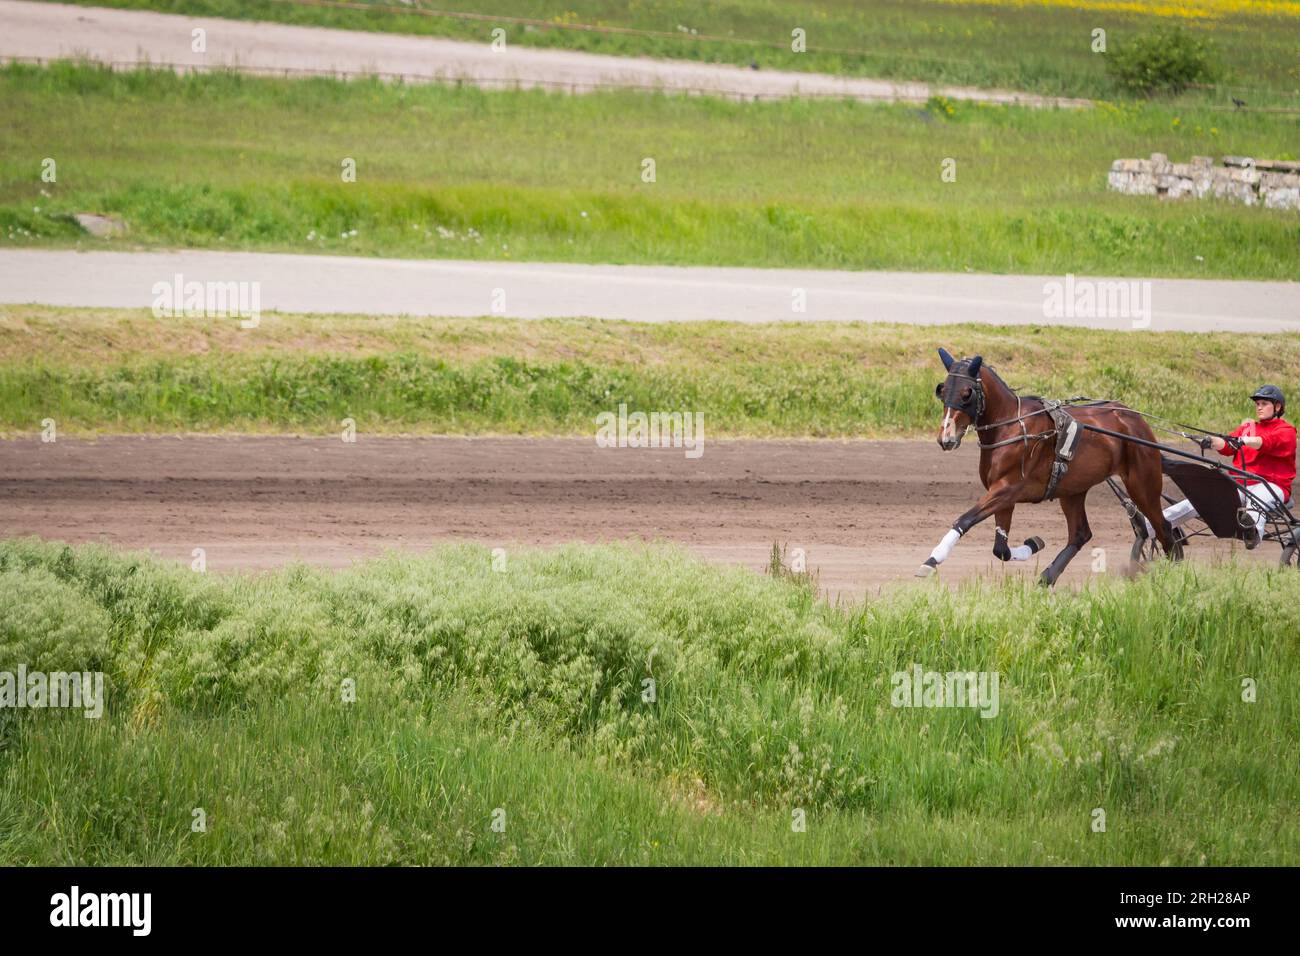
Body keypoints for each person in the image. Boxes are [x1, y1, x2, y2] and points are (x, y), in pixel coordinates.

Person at [1160, 385, 1296, 549]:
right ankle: (1154, 523)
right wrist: (1210, 441)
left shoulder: (1286, 431)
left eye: (1264, 403)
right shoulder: (1247, 428)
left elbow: (1266, 442)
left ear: (1277, 407)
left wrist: (1245, 440)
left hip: (1272, 486)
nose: (1259, 407)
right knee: (1201, 499)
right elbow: (1227, 444)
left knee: (1256, 503)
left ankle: (1253, 533)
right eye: (1257, 403)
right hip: (1241, 484)